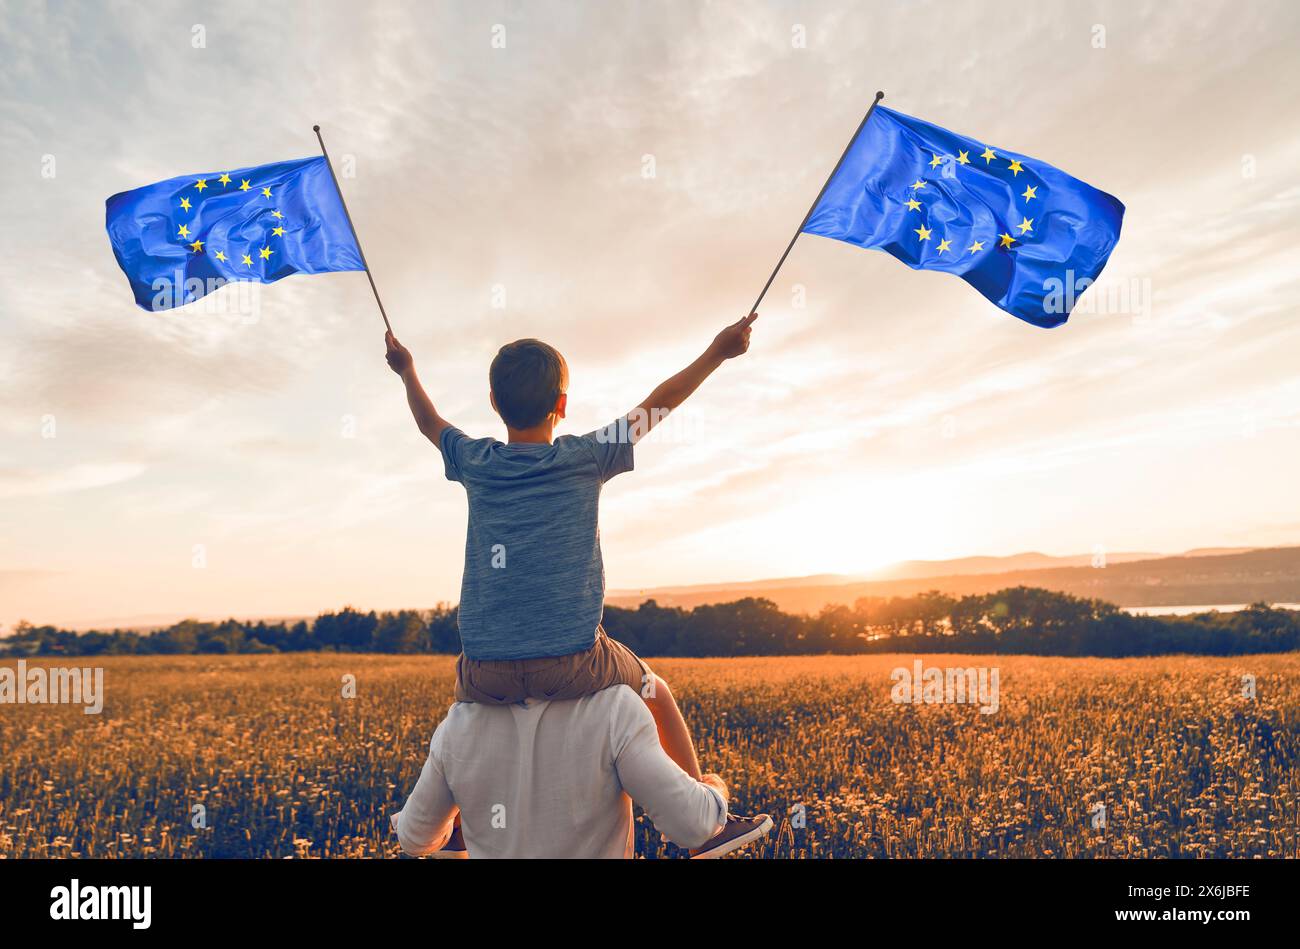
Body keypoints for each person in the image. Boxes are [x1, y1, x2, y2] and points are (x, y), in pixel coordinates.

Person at [385, 312, 770, 857]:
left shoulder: (476, 460)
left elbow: (429, 422)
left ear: (493, 402)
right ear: (561, 405)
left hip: (482, 670)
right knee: (655, 689)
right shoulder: (586, 456)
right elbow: (660, 402)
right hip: (573, 662)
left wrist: (406, 370)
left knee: (468, 730)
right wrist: (717, 352)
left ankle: (462, 834)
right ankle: (712, 824)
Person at [391, 684, 739, 859]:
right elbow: (693, 825)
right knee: (655, 685)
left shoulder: (459, 724)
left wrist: (456, 828)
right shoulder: (614, 706)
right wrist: (714, 789)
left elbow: (413, 838)